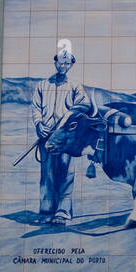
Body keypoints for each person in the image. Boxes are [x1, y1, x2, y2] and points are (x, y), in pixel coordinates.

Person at [31, 40, 88, 225]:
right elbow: (36, 108)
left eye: (67, 63)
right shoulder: (41, 85)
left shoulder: (76, 87)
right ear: (55, 62)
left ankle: (63, 212)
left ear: (71, 65)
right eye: (60, 62)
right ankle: (46, 212)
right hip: (46, 136)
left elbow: (83, 107)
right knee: (47, 174)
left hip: (65, 139)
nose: (63, 66)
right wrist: (39, 124)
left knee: (66, 173)